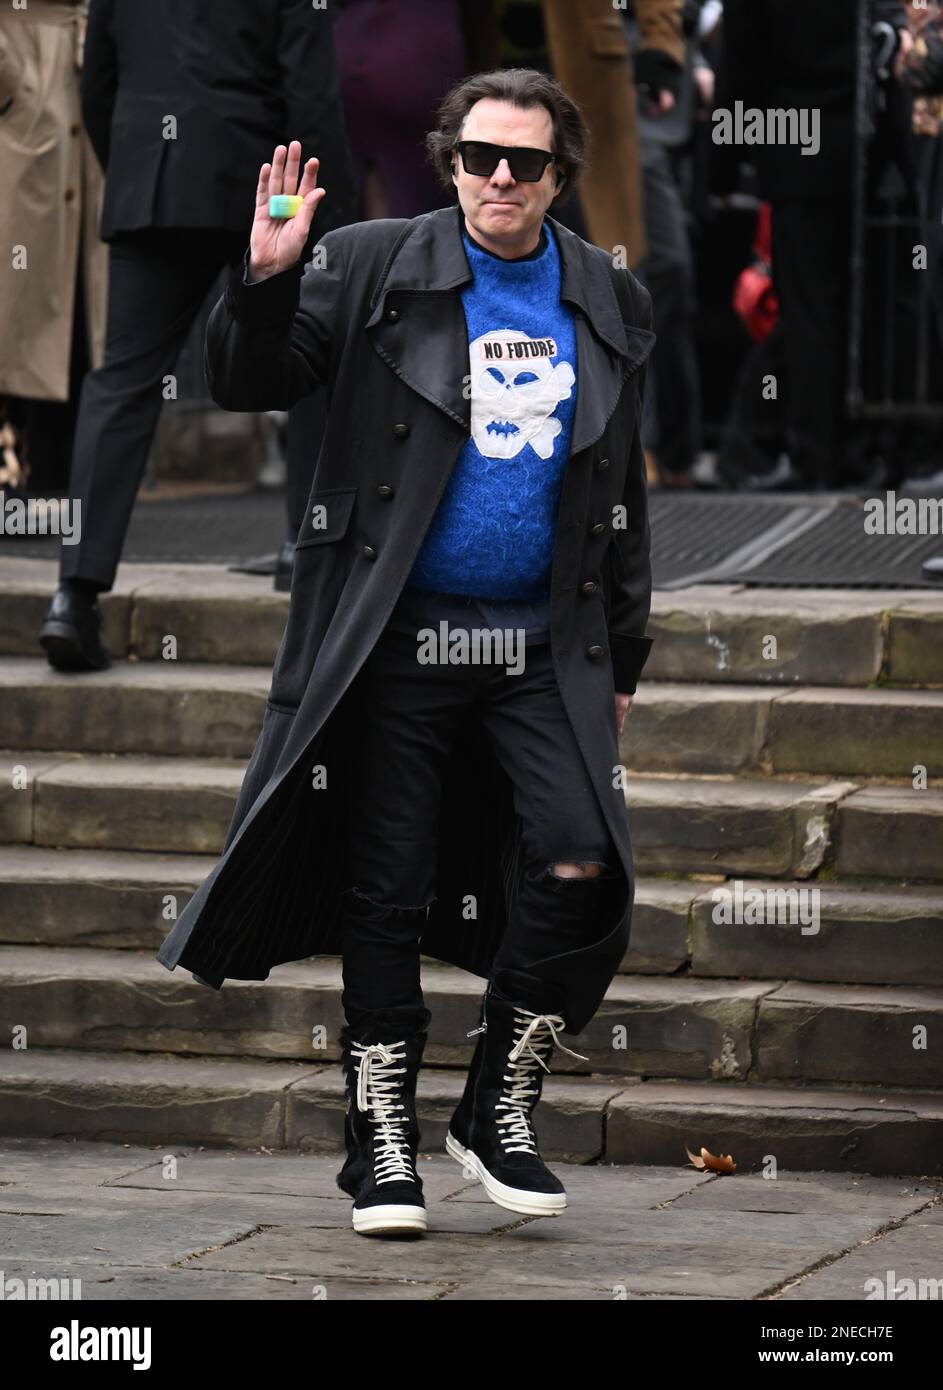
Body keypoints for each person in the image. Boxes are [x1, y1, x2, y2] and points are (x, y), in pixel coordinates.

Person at [156, 68, 658, 1237]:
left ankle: (497, 1100)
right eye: (478, 157)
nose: (498, 180)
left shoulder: (603, 297)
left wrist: (622, 659)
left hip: (540, 641)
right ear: (449, 162)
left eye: (524, 164)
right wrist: (268, 283)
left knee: (584, 857)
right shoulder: (378, 262)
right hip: (396, 634)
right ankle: (379, 1141)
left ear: (556, 178)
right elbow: (248, 381)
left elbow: (617, 494)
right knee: (384, 884)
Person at [37, 0, 355, 670]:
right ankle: (305, 544)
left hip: (149, 180)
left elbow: (96, 84)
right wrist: (336, 216)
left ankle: (74, 593)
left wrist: (132, 161)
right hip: (262, 183)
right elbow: (310, 93)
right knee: (311, 352)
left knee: (120, 383)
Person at [0, 0, 108, 504]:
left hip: (83, 75)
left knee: (77, 296)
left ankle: (52, 480)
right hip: (26, 61)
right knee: (18, 289)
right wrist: (12, 76)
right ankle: (15, 473)